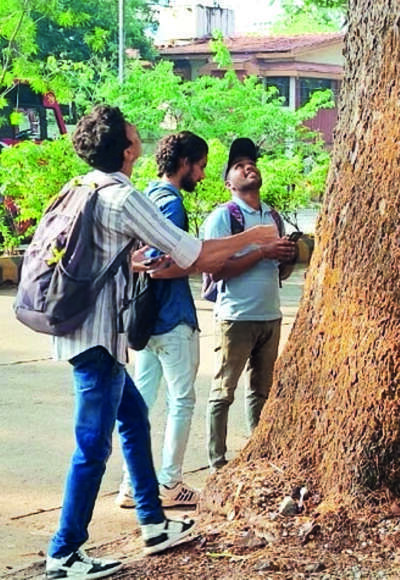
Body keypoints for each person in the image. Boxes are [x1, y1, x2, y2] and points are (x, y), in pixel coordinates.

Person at [44, 107, 280, 580]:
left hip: (85, 332)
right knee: (92, 448)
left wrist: (128, 264)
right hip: (97, 340)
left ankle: (153, 524)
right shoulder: (123, 197)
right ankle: (64, 552)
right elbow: (193, 255)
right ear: (126, 149)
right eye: (135, 135)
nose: (141, 141)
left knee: (134, 419)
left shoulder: (80, 186)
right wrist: (254, 237)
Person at [115, 131, 208, 510]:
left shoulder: (146, 196)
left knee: (142, 403)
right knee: (181, 401)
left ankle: (131, 484)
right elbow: (161, 261)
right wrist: (196, 261)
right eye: (200, 166)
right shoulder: (171, 204)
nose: (201, 175)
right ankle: (170, 482)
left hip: (144, 321)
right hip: (171, 318)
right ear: (184, 163)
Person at [203, 137, 297, 473]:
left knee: (261, 391)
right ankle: (217, 463)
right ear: (229, 183)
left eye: (252, 163)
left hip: (270, 315)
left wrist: (287, 256)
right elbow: (215, 269)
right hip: (236, 317)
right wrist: (261, 252)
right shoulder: (223, 217)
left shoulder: (273, 216)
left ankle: (257, 457)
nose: (248, 168)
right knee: (223, 391)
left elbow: (280, 271)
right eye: (239, 166)